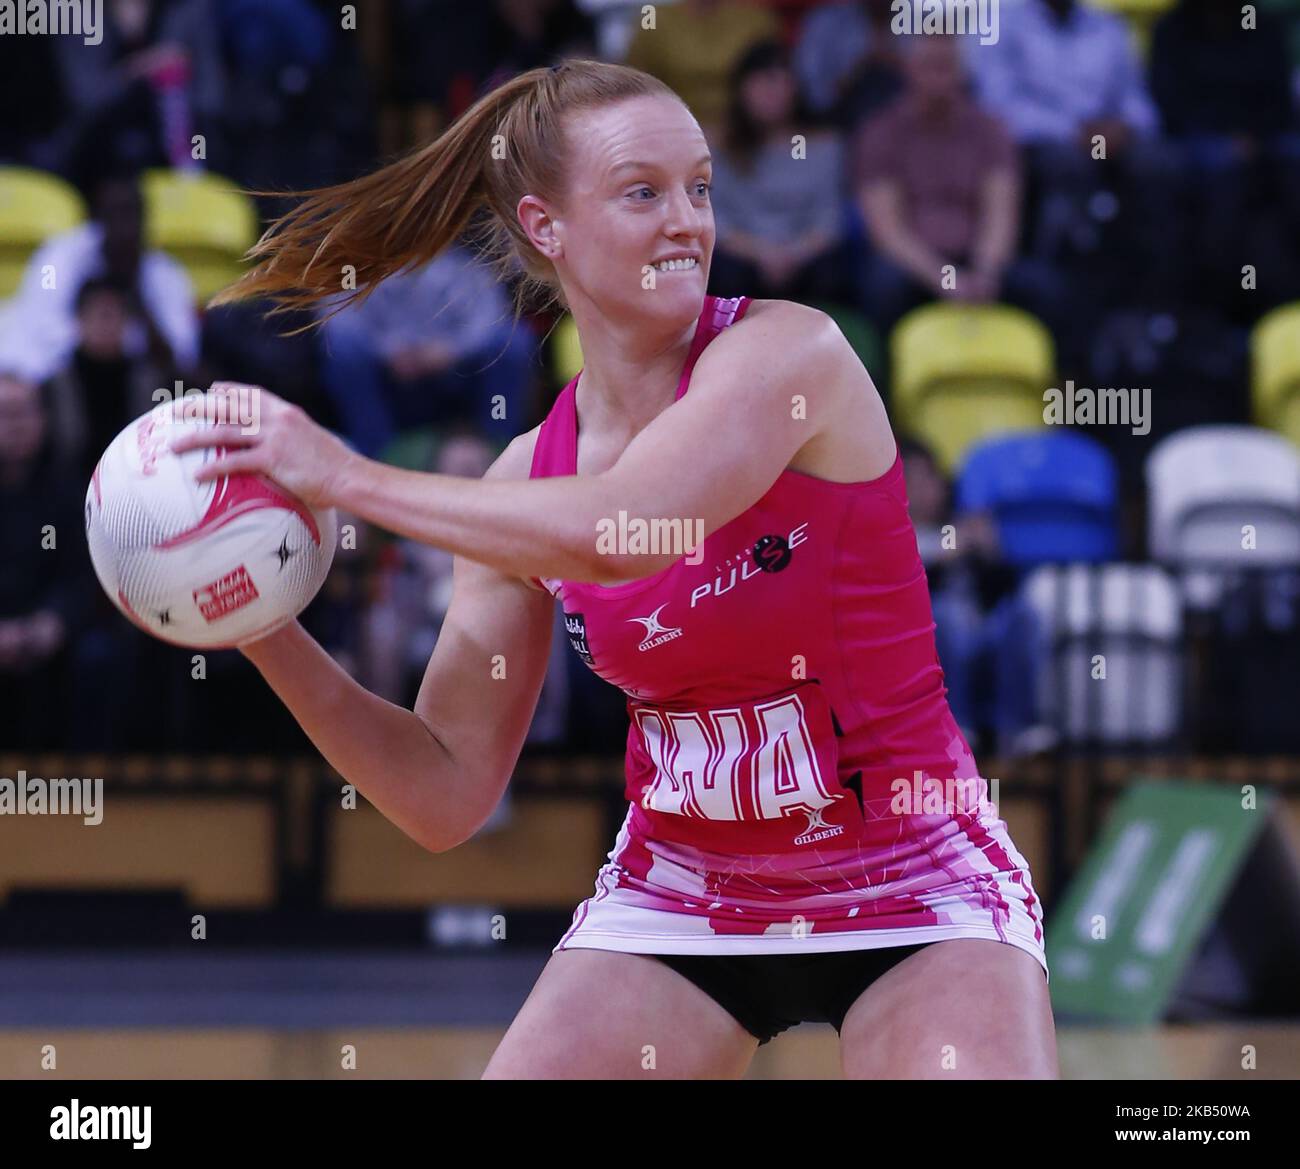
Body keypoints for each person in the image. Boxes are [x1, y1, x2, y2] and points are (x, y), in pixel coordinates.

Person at [169, 59, 1057, 1079]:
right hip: (682, 889)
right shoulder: (525, 481)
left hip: (912, 877)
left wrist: (341, 473)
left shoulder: (791, 354)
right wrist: (255, 619)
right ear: (547, 226)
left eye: (700, 187)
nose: (687, 219)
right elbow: (443, 791)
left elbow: (622, 529)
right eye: (643, 192)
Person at [706, 40, 854, 306]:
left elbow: (829, 220)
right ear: (741, 90)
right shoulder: (720, 147)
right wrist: (763, 254)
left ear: (795, 88)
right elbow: (717, 219)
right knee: (724, 273)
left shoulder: (824, 145)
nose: (770, 92)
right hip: (743, 255)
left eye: (778, 81)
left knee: (833, 272)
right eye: (760, 83)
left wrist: (792, 255)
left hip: (805, 255)